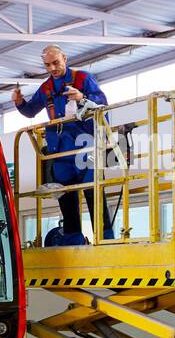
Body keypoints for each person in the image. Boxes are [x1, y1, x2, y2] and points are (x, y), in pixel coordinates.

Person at [12, 44, 113, 244]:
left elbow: (102, 102)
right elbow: (31, 111)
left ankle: (106, 240)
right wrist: (19, 103)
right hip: (60, 152)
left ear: (64, 58)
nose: (52, 69)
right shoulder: (46, 88)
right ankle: (73, 239)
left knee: (93, 192)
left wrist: (82, 97)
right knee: (65, 197)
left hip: (86, 146)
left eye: (55, 63)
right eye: (47, 65)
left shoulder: (83, 79)